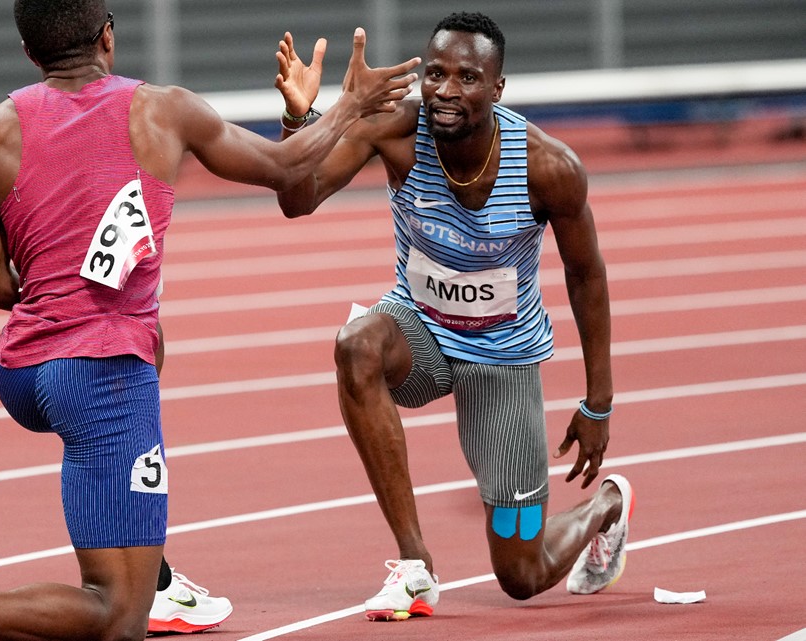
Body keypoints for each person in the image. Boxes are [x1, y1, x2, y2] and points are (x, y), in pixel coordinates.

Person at [0, 1, 420, 640]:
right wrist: (349, 107)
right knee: (118, 617)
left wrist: (60, 294)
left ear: (30, 53)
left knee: (147, 336)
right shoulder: (161, 110)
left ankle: (157, 573)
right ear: (108, 37)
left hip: (23, 371)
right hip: (101, 378)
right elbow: (288, 169)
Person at [272, 12, 634, 620]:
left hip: (504, 356)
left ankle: (607, 508)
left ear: (497, 88)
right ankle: (416, 568)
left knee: (522, 575)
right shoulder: (394, 132)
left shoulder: (549, 167)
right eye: (435, 73)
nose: (445, 89)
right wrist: (301, 119)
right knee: (356, 344)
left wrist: (598, 403)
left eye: (467, 77)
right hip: (420, 328)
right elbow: (296, 200)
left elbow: (586, 274)